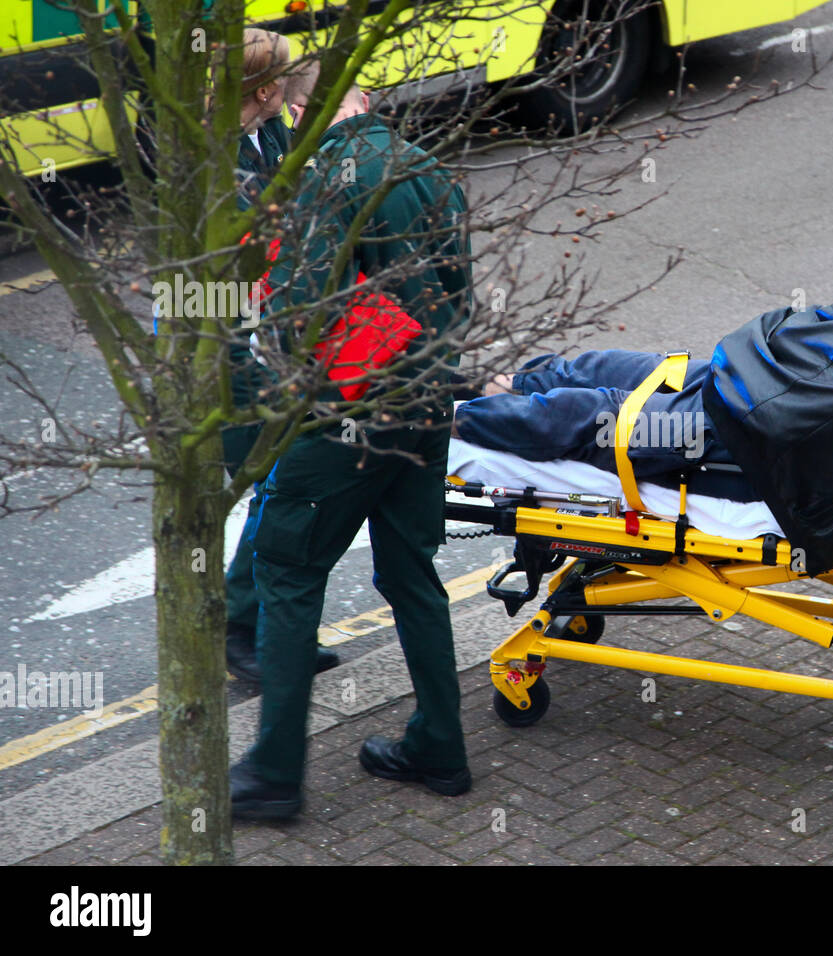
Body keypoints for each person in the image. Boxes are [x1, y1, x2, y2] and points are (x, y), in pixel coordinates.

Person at [229, 64, 474, 819]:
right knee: (411, 579)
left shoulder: (320, 184)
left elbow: (302, 315)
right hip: (428, 405)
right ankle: (441, 746)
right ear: (365, 102)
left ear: (301, 113)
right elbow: (457, 294)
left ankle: (273, 774)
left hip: (347, 415)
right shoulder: (428, 169)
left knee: (287, 574)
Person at [454, 237, 833, 574]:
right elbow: (789, 349)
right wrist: (740, 359)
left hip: (724, 433)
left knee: (582, 414)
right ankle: (479, 385)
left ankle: (442, 422)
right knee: (597, 365)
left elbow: (783, 411)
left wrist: (743, 359)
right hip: (723, 386)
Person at [221, 28, 340, 683]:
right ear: (265, 91)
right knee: (278, 482)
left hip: (273, 341)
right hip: (230, 357)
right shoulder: (217, 168)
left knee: (284, 483)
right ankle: (243, 626)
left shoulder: (272, 139)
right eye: (283, 88)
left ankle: (269, 625)